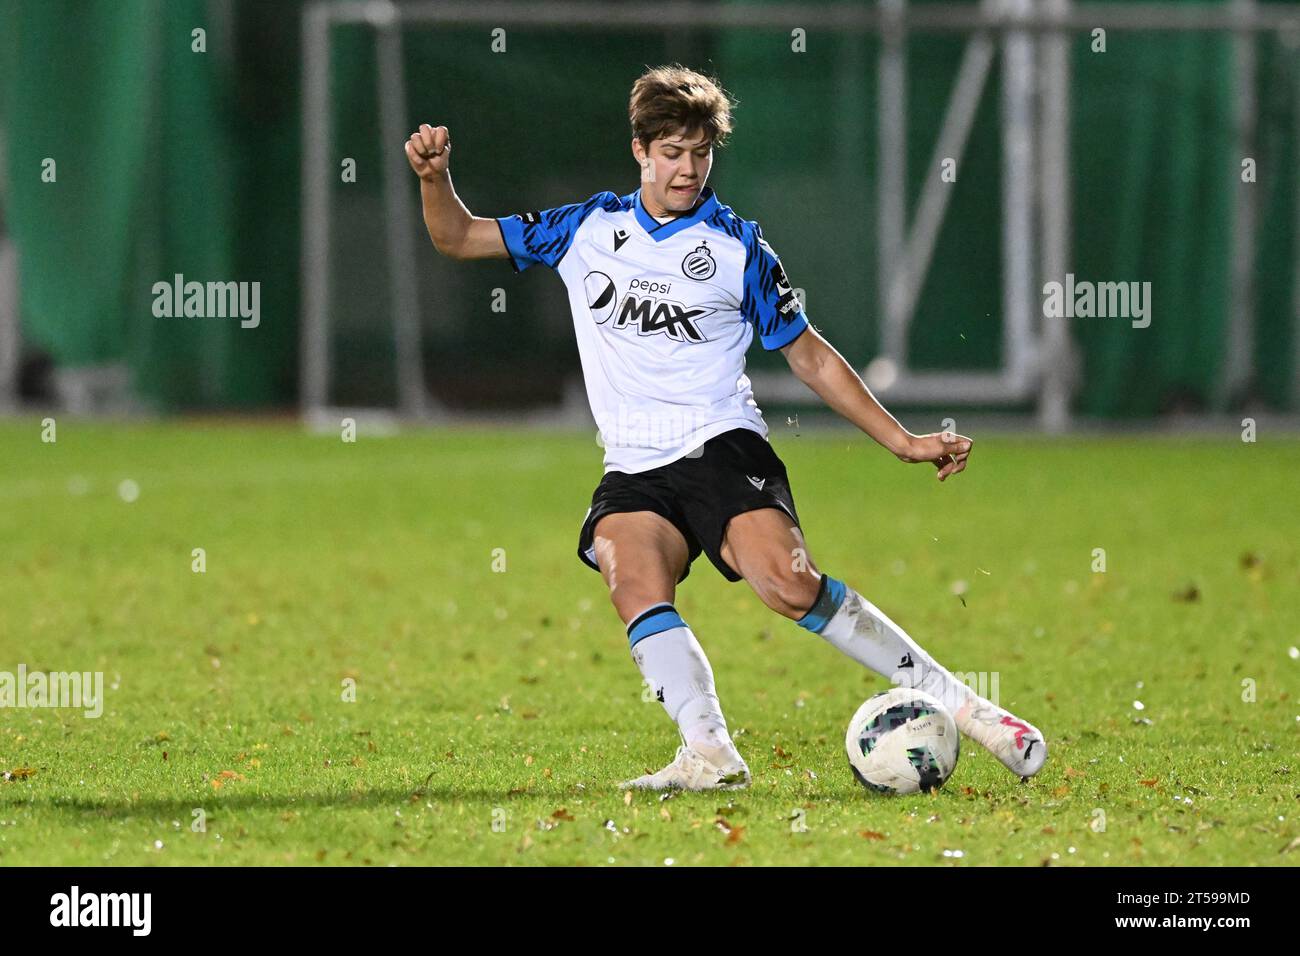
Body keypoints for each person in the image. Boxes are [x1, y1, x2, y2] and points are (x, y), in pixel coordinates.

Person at [404, 64, 1047, 791]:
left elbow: (809, 356)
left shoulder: (739, 247)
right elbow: (458, 237)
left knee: (788, 585)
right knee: (631, 575)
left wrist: (902, 439)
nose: (688, 169)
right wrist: (434, 178)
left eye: (701, 153)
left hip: (721, 445)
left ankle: (975, 714)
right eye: (673, 152)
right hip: (633, 466)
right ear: (641, 150)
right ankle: (709, 752)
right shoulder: (585, 227)